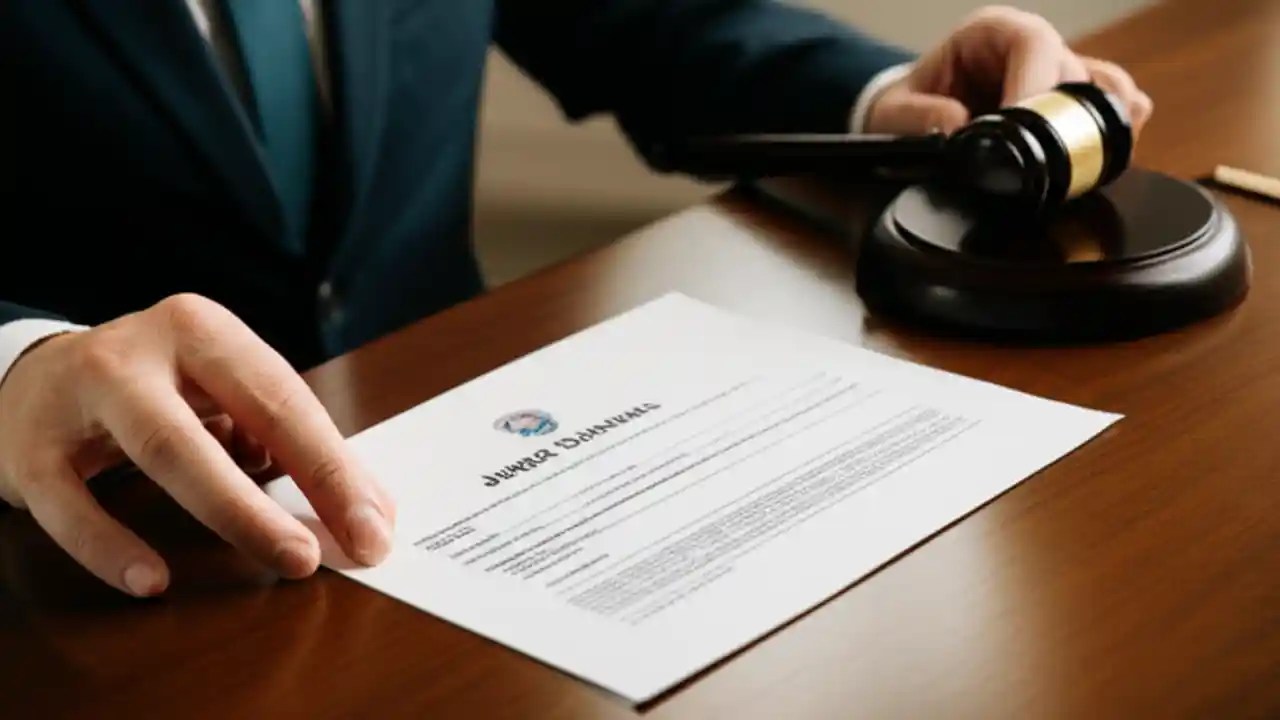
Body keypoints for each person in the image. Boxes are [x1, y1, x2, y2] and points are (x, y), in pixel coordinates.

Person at [0, 1, 1151, 599]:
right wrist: (17, 360)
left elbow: (639, 20)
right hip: (103, 558)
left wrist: (878, 97)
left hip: (457, 471)